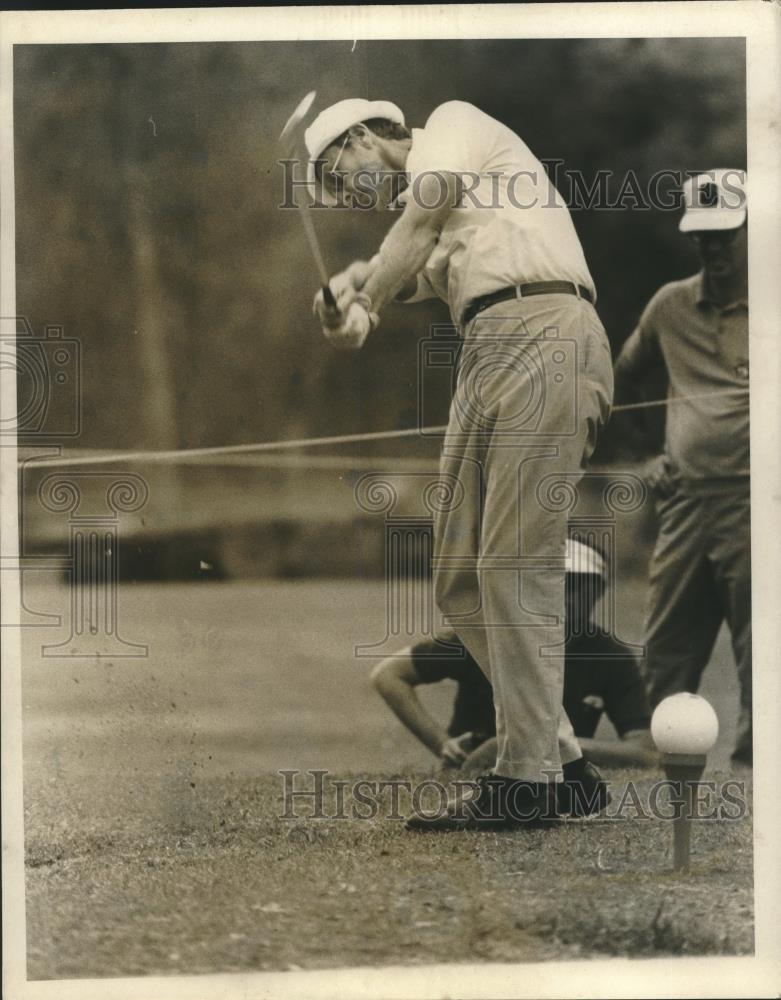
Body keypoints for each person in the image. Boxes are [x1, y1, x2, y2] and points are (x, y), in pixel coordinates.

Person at [306, 98, 614, 830]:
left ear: (360, 137)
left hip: (549, 333)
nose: (341, 193)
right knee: (458, 574)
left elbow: (414, 228)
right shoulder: (438, 214)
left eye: (335, 174)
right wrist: (348, 295)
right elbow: (414, 264)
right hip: (485, 351)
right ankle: (562, 763)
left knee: (515, 563)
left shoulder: (450, 125)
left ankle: (525, 779)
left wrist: (367, 302)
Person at [613, 169, 750, 766]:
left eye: (727, 235)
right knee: (667, 644)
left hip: (759, 503)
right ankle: (659, 756)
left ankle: (756, 764)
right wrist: (644, 454)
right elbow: (622, 378)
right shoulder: (670, 306)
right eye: (703, 237)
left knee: (761, 641)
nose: (714, 248)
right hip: (686, 502)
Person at [371, 539, 657, 772]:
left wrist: (553, 745)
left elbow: (645, 751)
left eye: (575, 584)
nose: (560, 595)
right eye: (548, 581)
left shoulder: (610, 656)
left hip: (554, 774)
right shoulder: (485, 635)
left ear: (599, 591)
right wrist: (443, 744)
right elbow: (389, 675)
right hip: (472, 772)